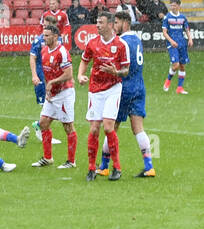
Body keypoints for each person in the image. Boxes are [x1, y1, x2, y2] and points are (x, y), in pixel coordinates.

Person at [101, 10, 157, 178]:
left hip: (124, 88)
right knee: (138, 128)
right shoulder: (137, 39)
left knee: (111, 127)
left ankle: (104, 166)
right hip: (139, 87)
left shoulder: (121, 43)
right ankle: (149, 167)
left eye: (116, 23)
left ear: (126, 22)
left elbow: (121, 68)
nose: (114, 26)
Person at [76, 11, 130, 181]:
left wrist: (117, 72)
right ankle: (92, 168)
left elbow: (126, 70)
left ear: (110, 24)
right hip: (95, 89)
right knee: (94, 128)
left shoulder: (121, 45)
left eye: (101, 22)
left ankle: (117, 167)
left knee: (108, 127)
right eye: (97, 22)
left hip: (113, 88)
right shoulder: (92, 43)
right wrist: (80, 75)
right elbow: (84, 60)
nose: (98, 25)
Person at [30, 20, 78, 169]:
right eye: (43, 35)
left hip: (65, 93)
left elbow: (69, 74)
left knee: (68, 126)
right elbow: (47, 73)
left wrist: (53, 82)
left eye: (47, 35)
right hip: (52, 94)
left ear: (56, 36)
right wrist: (48, 88)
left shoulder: (62, 52)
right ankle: (48, 158)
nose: (44, 38)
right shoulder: (44, 51)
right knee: (43, 123)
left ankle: (71, 161)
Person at [161, 0, 191, 94]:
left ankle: (179, 88)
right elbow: (164, 32)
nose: (172, 7)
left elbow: (186, 29)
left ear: (178, 6)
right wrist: (171, 41)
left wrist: (190, 39)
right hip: (172, 44)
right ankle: (168, 80)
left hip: (182, 43)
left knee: (182, 66)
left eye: (174, 5)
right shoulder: (167, 17)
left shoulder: (183, 17)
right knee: (175, 65)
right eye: (171, 5)